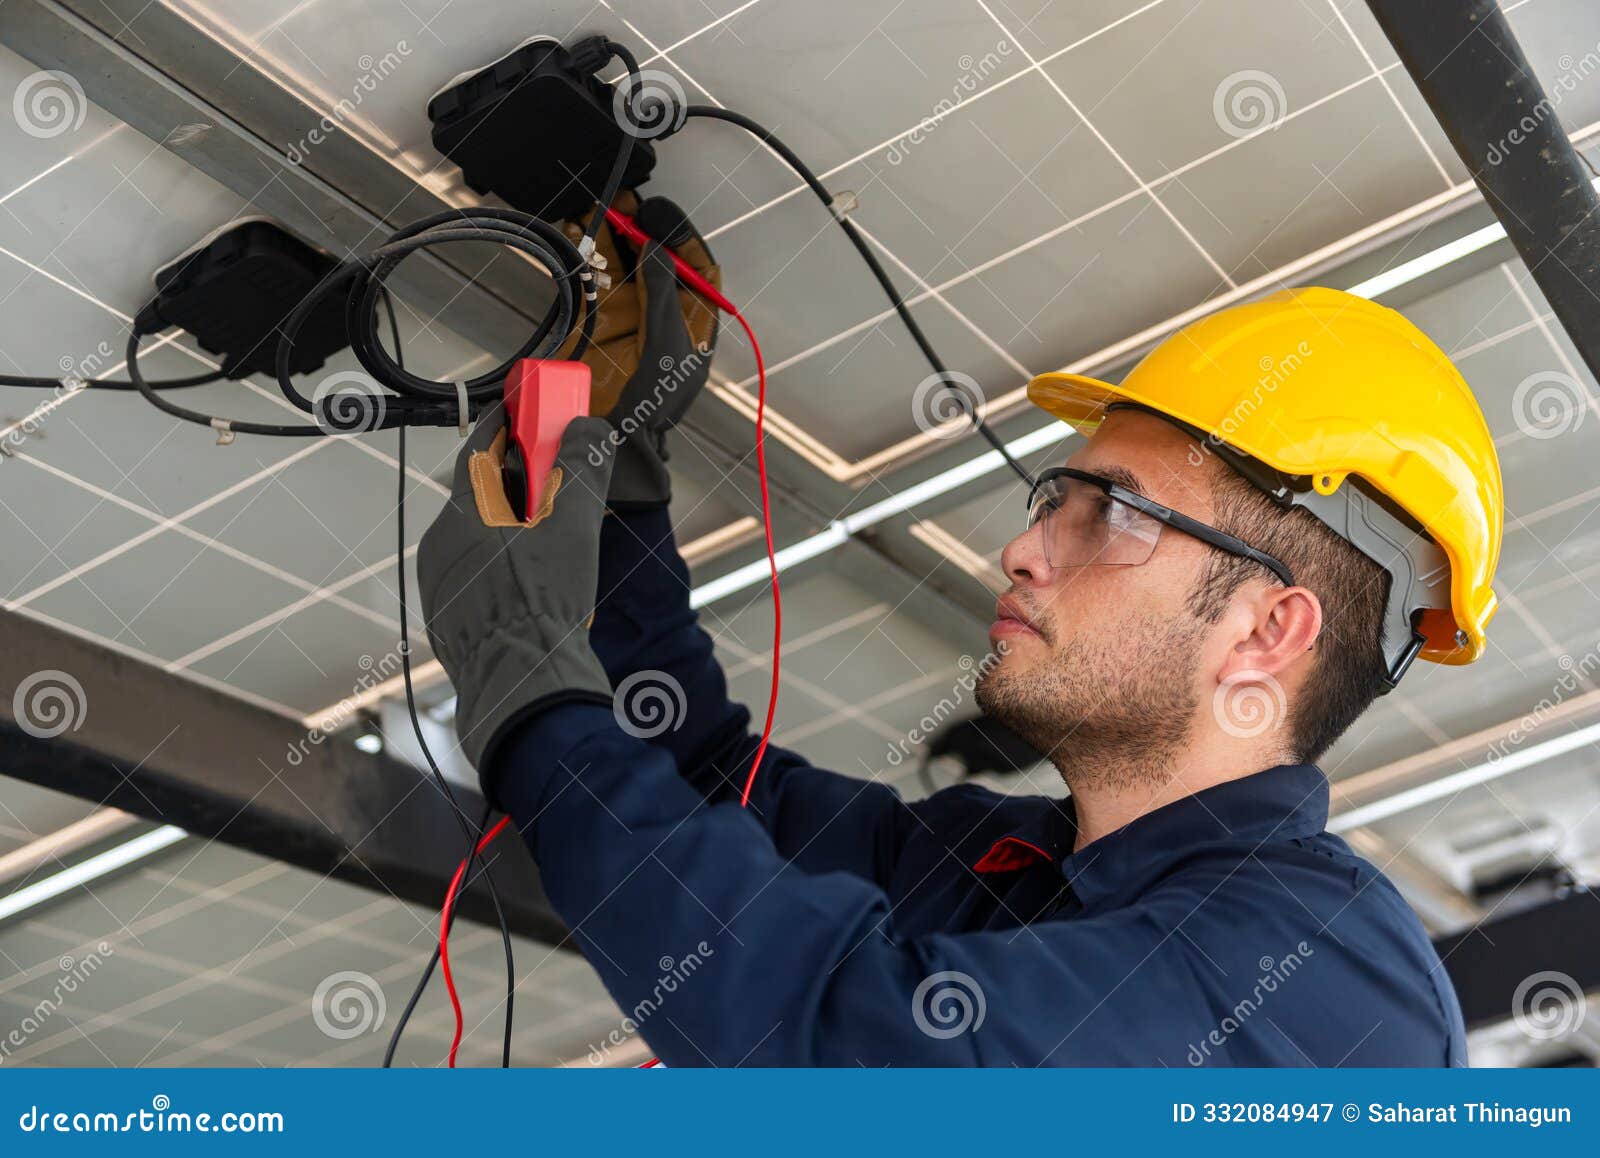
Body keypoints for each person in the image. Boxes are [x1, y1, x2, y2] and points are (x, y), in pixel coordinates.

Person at [418, 200, 1503, 1066]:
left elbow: (855, 1053)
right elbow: (697, 775)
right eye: (1053, 499)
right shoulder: (998, 864)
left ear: (1269, 630)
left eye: (1117, 514)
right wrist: (618, 481)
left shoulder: (1331, 992)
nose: (1023, 553)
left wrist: (534, 702)